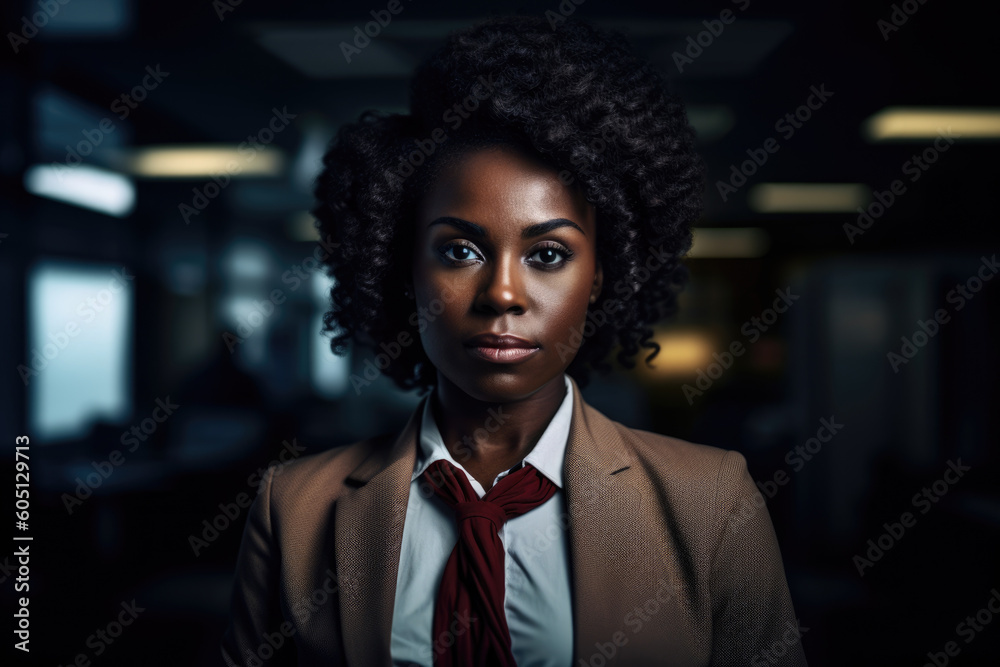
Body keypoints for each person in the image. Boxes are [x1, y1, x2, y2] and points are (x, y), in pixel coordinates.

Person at [221, 14, 807, 667]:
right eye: (460, 249)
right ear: (403, 268)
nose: (502, 293)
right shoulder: (295, 509)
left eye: (549, 253)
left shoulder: (712, 502)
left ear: (601, 276)